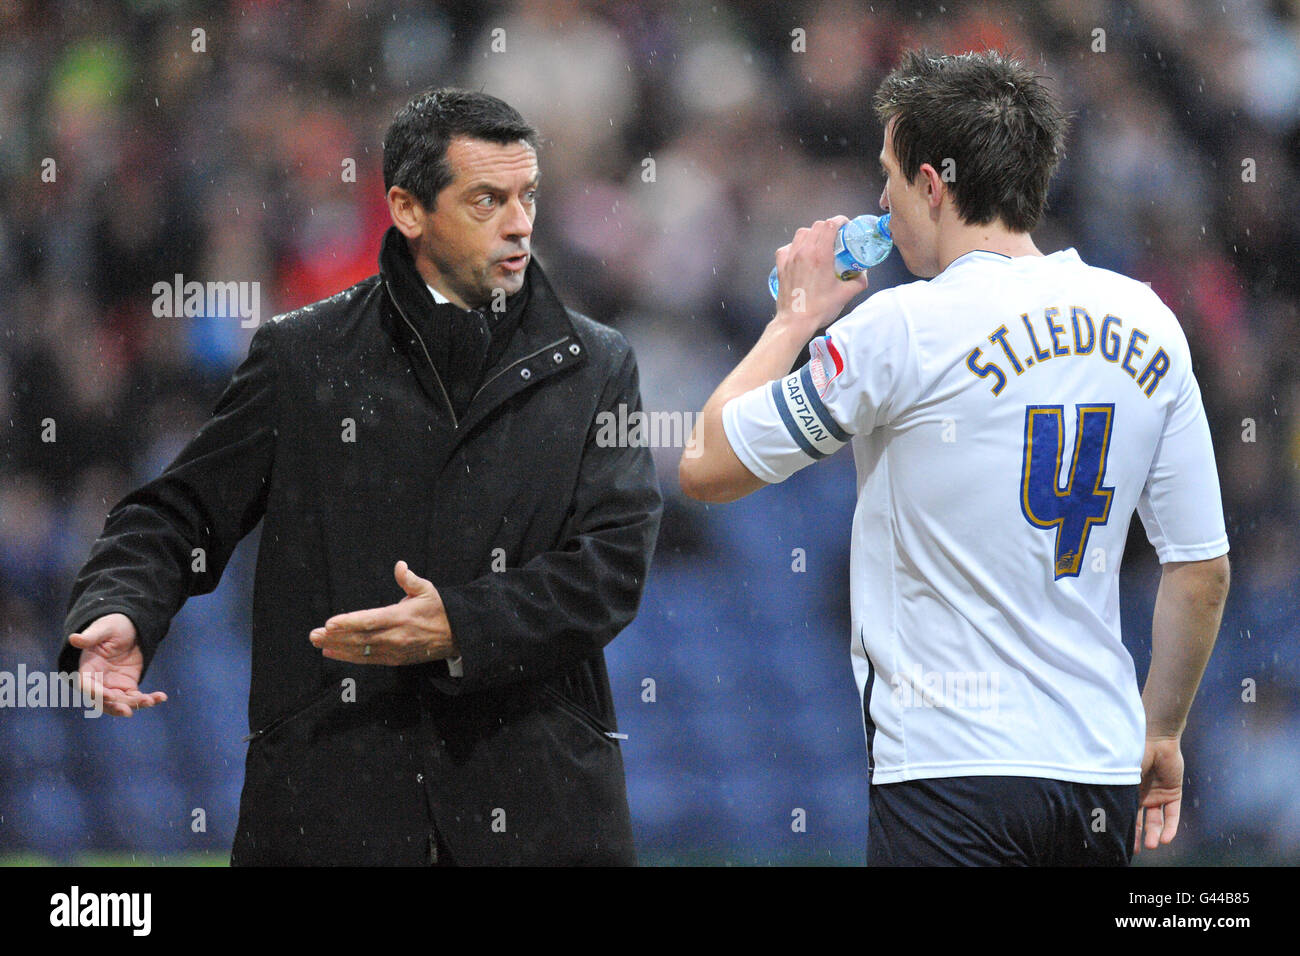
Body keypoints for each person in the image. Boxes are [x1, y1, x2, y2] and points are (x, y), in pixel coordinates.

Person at [59, 88, 663, 866]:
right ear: (407, 210)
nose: (519, 223)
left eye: (528, 197)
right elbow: (177, 513)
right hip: (335, 803)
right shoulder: (303, 356)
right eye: (487, 199)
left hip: (537, 808)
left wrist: (461, 627)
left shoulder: (594, 364)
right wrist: (123, 607)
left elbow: (612, 569)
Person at [679, 50, 1230, 866]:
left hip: (947, 773)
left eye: (889, 177)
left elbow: (705, 467)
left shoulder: (902, 326)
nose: (882, 200)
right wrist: (1163, 731)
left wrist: (793, 319)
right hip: (1096, 774)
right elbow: (1203, 569)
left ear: (934, 185)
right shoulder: (1148, 320)